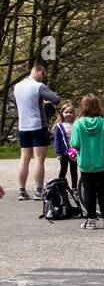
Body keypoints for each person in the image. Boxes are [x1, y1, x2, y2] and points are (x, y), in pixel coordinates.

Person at [11, 61, 59, 201]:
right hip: (38, 125)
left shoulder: (17, 87)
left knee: (24, 157)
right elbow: (56, 99)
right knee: (39, 159)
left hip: (23, 126)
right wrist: (46, 101)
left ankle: (21, 190)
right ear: (40, 73)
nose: (43, 79)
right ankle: (39, 191)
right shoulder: (38, 86)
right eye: (43, 76)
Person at [70, 94, 104, 229]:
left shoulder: (78, 123)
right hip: (100, 163)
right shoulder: (103, 123)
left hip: (85, 163)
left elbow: (75, 143)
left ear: (83, 107)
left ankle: (90, 220)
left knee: (88, 191)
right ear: (97, 106)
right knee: (102, 191)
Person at [53, 104, 79, 189]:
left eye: (70, 112)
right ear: (62, 114)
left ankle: (74, 187)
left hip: (74, 152)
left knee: (74, 170)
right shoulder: (59, 126)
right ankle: (61, 187)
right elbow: (57, 141)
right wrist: (58, 153)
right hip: (64, 152)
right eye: (66, 112)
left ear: (74, 114)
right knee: (63, 170)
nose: (68, 114)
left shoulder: (76, 124)